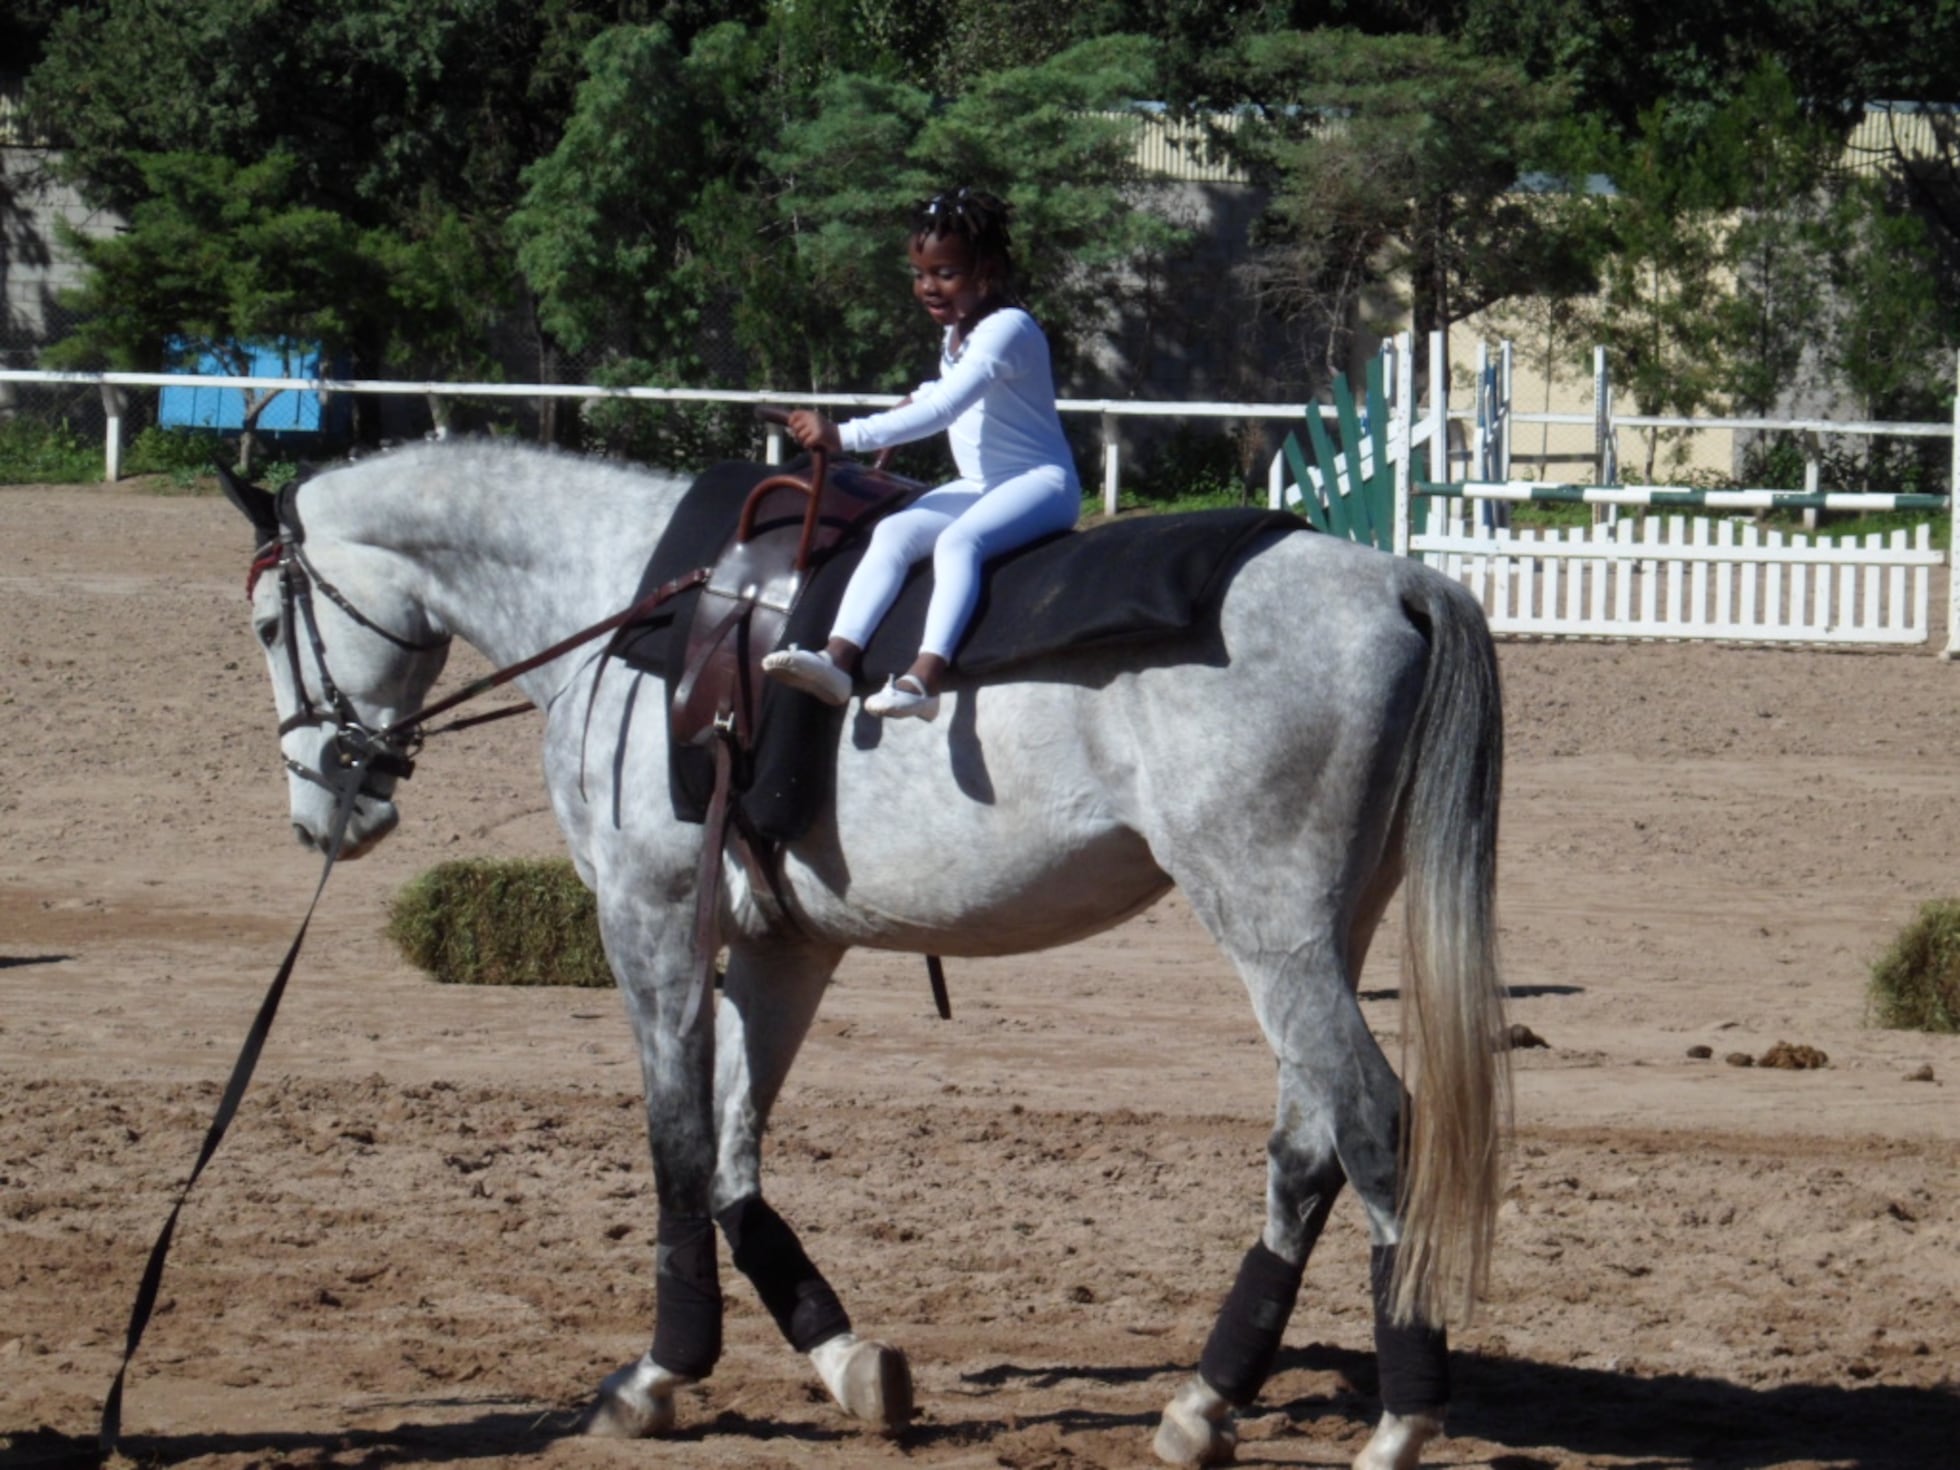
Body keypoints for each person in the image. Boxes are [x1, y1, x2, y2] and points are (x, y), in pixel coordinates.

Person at [762, 188, 1081, 721]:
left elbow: (946, 410)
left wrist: (843, 434)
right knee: (891, 533)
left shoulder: (1007, 328)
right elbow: (943, 389)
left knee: (959, 543)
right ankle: (837, 658)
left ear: (988, 272)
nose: (928, 287)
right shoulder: (960, 330)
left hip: (1040, 483)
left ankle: (927, 675)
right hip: (984, 484)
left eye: (946, 274)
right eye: (919, 273)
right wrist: (917, 396)